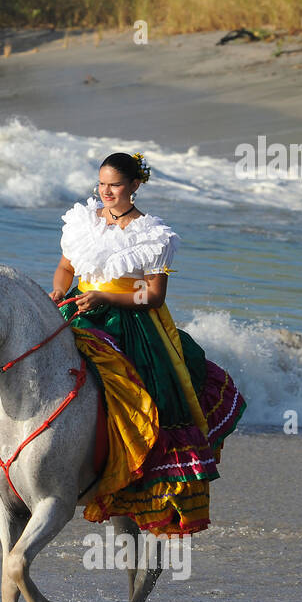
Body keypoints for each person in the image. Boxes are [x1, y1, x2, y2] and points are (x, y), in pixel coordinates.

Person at [48, 151, 245, 534]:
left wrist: (106, 297)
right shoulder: (83, 221)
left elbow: (153, 296)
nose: (106, 191)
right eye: (102, 184)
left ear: (135, 186)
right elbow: (66, 267)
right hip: (80, 306)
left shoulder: (153, 234)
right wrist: (59, 291)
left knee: (146, 393)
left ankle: (138, 468)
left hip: (132, 320)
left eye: (115, 185)